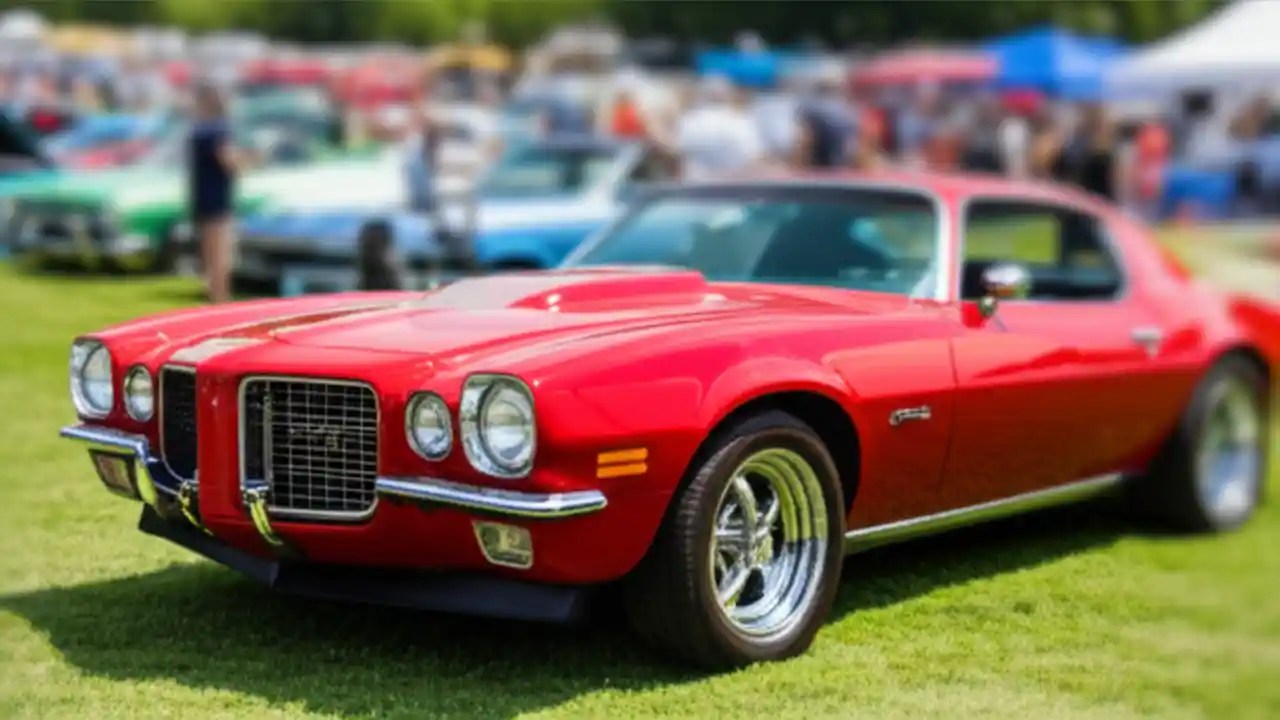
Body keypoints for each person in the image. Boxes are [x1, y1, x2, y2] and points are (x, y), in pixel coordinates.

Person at [188, 82, 250, 304]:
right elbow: (228, 161)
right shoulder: (218, 130)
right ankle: (220, 296)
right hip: (218, 198)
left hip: (201, 196)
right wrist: (248, 161)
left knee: (208, 250)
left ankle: (211, 290)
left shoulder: (198, 131)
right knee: (221, 252)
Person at [675, 75, 763, 180]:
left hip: (696, 184)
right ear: (727, 94)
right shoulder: (739, 120)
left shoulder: (688, 120)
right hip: (734, 184)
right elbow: (754, 156)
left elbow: (679, 152)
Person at [793, 66, 857, 169]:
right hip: (841, 166)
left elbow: (805, 140)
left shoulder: (810, 107)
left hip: (818, 168)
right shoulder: (848, 109)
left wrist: (798, 166)